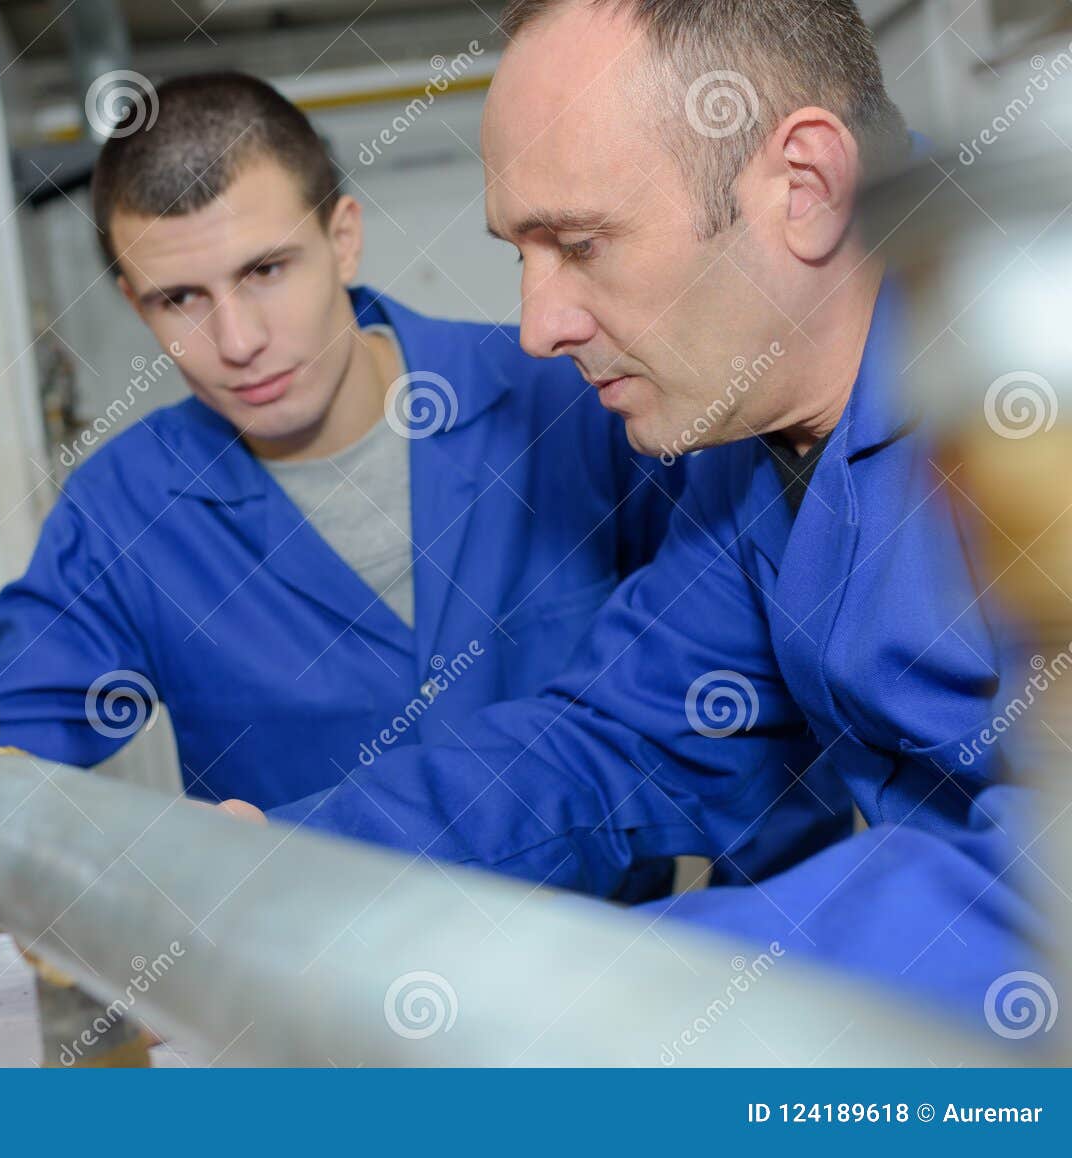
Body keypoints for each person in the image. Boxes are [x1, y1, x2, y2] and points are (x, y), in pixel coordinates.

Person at [0, 71, 689, 1042]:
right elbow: (5, 733)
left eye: (264, 271)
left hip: (608, 996)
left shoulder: (566, 402)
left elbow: (727, 684)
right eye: (180, 300)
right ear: (133, 303)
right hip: (310, 1024)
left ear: (341, 236)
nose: (239, 340)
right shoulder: (131, 507)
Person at [235, 0, 1046, 1026]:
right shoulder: (749, 434)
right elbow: (620, 742)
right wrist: (285, 862)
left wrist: (559, 999)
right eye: (519, 254)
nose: (536, 328)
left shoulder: (1027, 398)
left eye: (578, 244)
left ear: (803, 187)